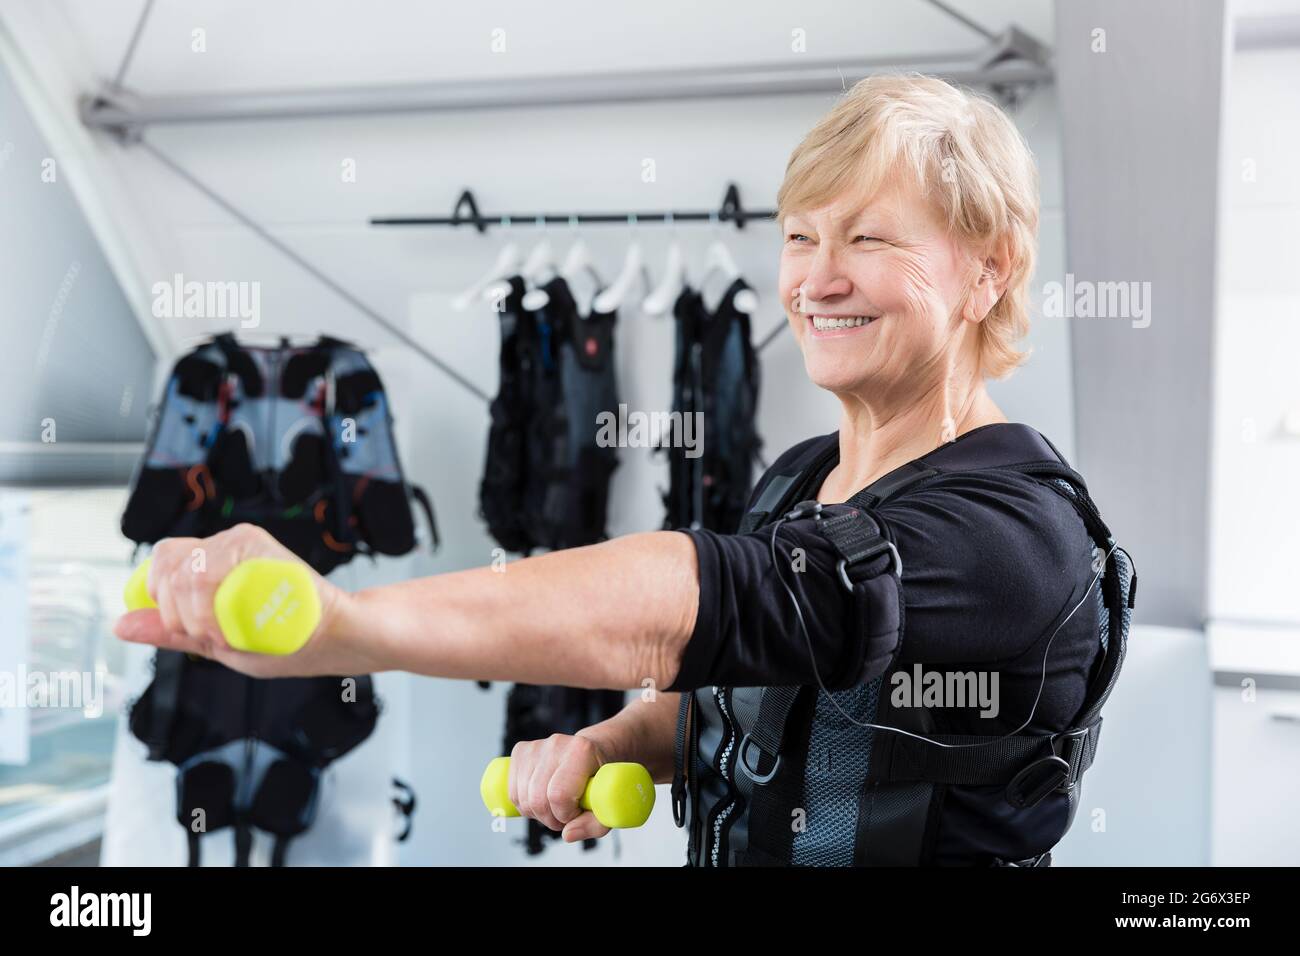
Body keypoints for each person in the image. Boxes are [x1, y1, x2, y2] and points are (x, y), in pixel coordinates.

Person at [115, 73, 1131, 867]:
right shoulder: (796, 477)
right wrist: (616, 742)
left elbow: (694, 605)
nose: (816, 278)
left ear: (987, 268)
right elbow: (742, 687)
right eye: (798, 236)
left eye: (866, 238)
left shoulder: (1014, 537)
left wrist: (348, 627)